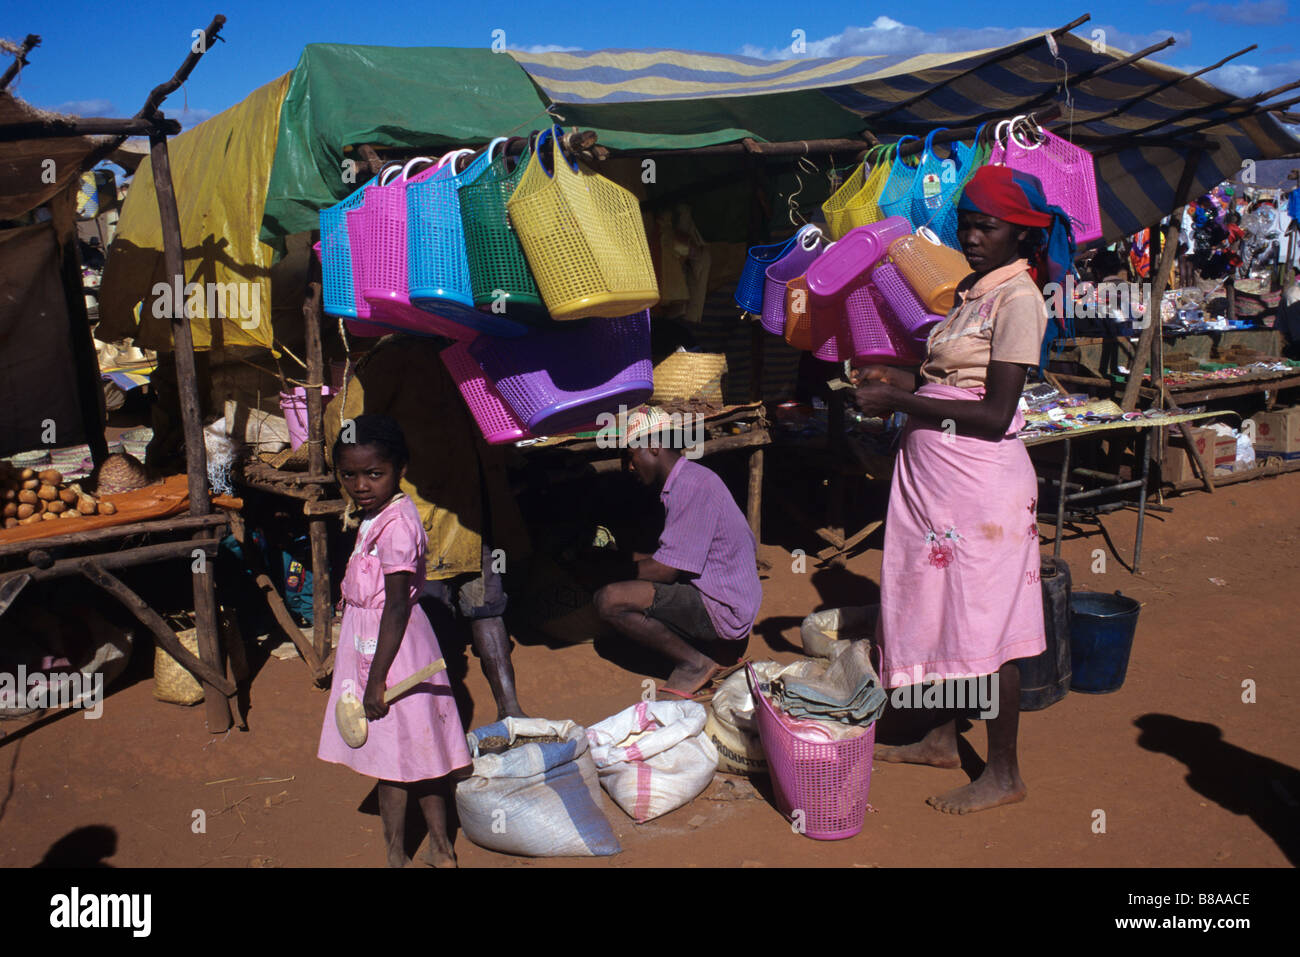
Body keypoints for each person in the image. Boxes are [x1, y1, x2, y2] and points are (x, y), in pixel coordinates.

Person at [851, 163, 1075, 814]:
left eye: (988, 228)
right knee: (944, 612)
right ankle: (942, 737)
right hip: (936, 486)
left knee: (985, 624)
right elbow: (949, 381)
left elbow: (995, 414)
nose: (973, 237)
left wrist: (899, 399)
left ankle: (1003, 771)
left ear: (1022, 236)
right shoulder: (973, 290)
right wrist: (893, 378)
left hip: (978, 488)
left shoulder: (1019, 300)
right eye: (968, 225)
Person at [325, 335, 529, 721]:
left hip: (421, 509)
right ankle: (509, 708)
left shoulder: (385, 361)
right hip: (470, 506)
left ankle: (443, 723)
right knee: (485, 609)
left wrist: (354, 485)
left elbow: (343, 426)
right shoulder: (471, 349)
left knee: (428, 620)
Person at [317, 414, 470, 867]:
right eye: (349, 475)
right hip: (372, 642)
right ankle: (438, 851)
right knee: (417, 753)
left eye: (374, 474)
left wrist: (375, 680)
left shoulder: (397, 526)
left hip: (393, 651)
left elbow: (398, 606)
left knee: (394, 761)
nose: (361, 485)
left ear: (400, 467)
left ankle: (401, 856)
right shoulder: (374, 516)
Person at [593, 407, 761, 699]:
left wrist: (610, 571)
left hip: (725, 608)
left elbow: (666, 571)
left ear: (653, 447)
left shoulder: (691, 486)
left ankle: (694, 662)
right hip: (725, 596)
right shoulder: (689, 479)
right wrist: (619, 561)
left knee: (609, 600)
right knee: (625, 576)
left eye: (632, 455)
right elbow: (671, 557)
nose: (631, 466)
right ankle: (698, 651)